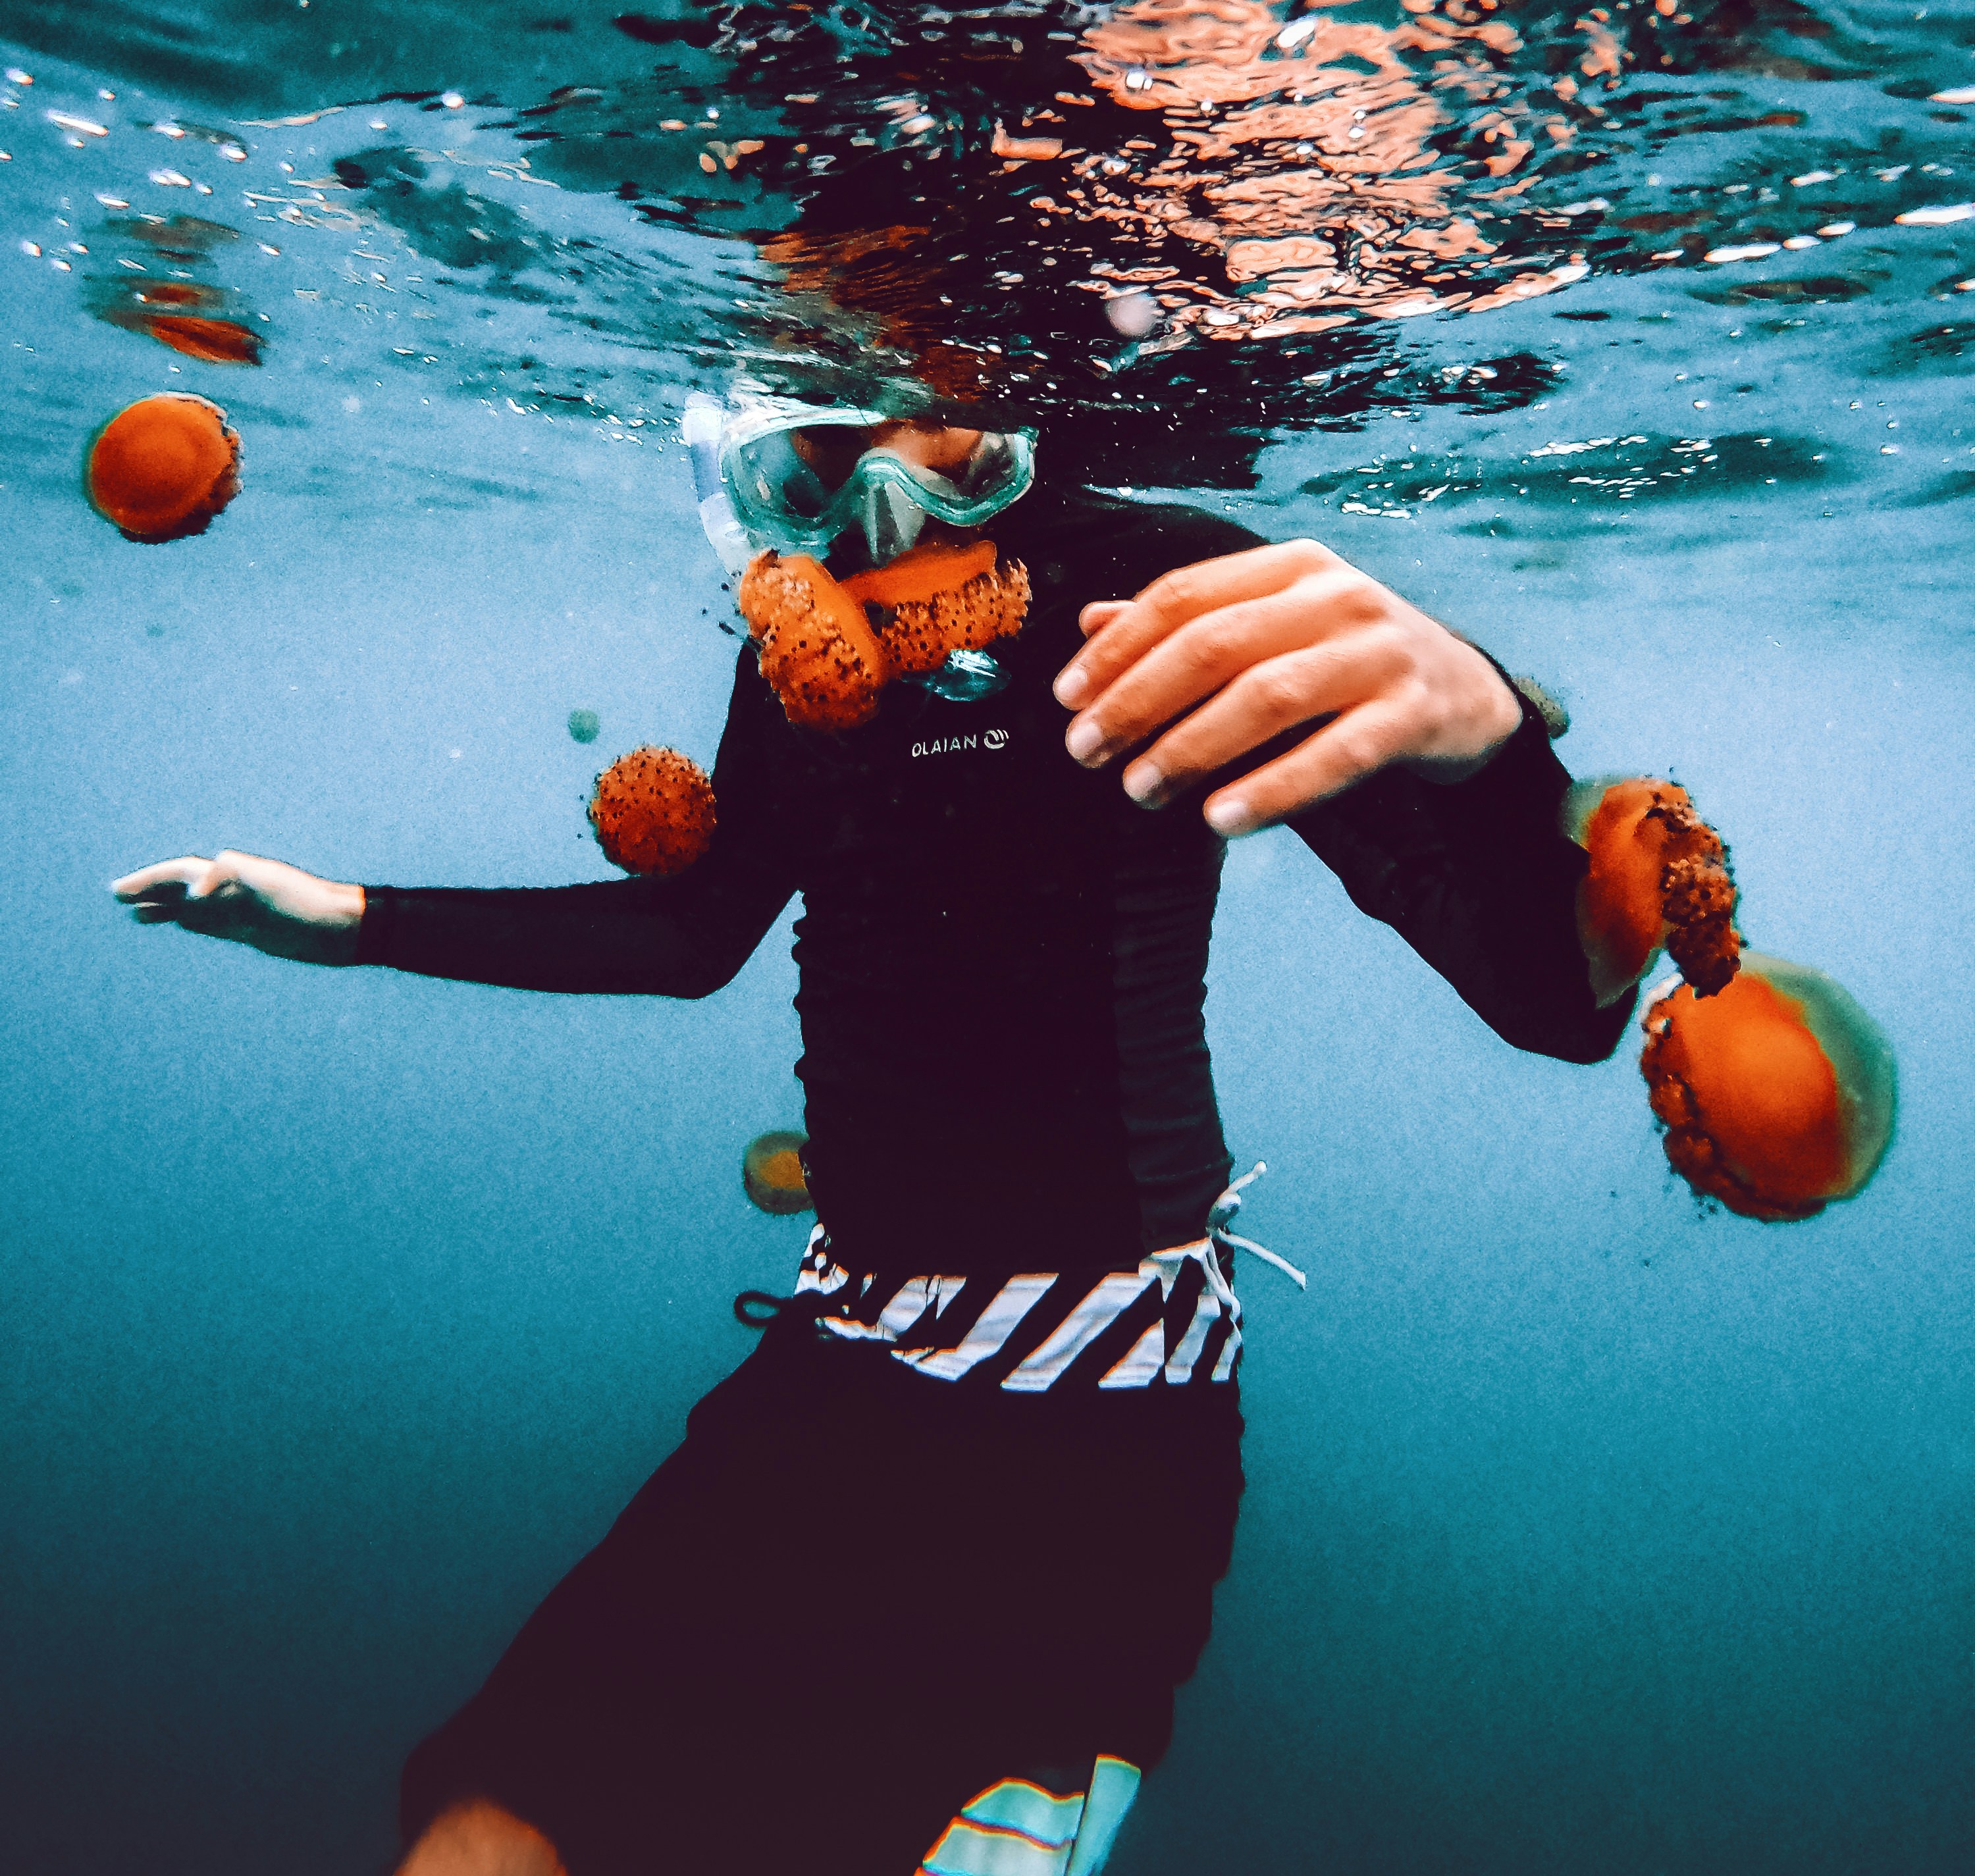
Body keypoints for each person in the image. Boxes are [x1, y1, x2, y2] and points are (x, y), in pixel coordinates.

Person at [114, 396, 1633, 1876]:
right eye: (822, 463)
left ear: (1020, 420)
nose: (886, 506)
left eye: (941, 438)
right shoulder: (803, 640)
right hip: (841, 1357)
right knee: (491, 1822)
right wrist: (350, 923)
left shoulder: (1155, 583)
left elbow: (1556, 1002)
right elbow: (698, 927)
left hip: (1102, 1423)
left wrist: (1490, 736)